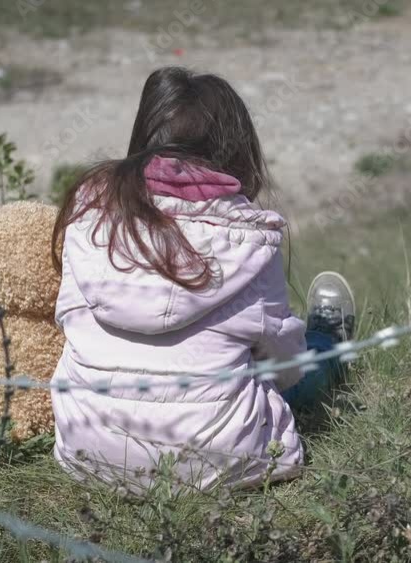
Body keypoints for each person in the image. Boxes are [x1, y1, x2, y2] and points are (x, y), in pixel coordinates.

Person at [49, 66, 355, 491]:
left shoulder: (91, 216)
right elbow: (284, 366)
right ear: (237, 152)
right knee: (306, 362)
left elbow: (68, 319)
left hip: (89, 452)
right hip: (220, 460)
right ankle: (333, 344)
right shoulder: (248, 238)